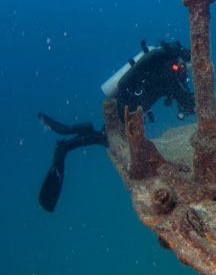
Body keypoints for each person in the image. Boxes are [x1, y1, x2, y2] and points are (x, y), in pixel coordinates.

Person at [38, 39, 194, 212]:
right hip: (127, 102)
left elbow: (182, 98)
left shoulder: (165, 68)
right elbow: (181, 96)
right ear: (179, 63)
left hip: (128, 102)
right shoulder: (166, 69)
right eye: (184, 70)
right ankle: (66, 146)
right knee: (107, 137)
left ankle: (76, 130)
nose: (184, 76)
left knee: (107, 134)